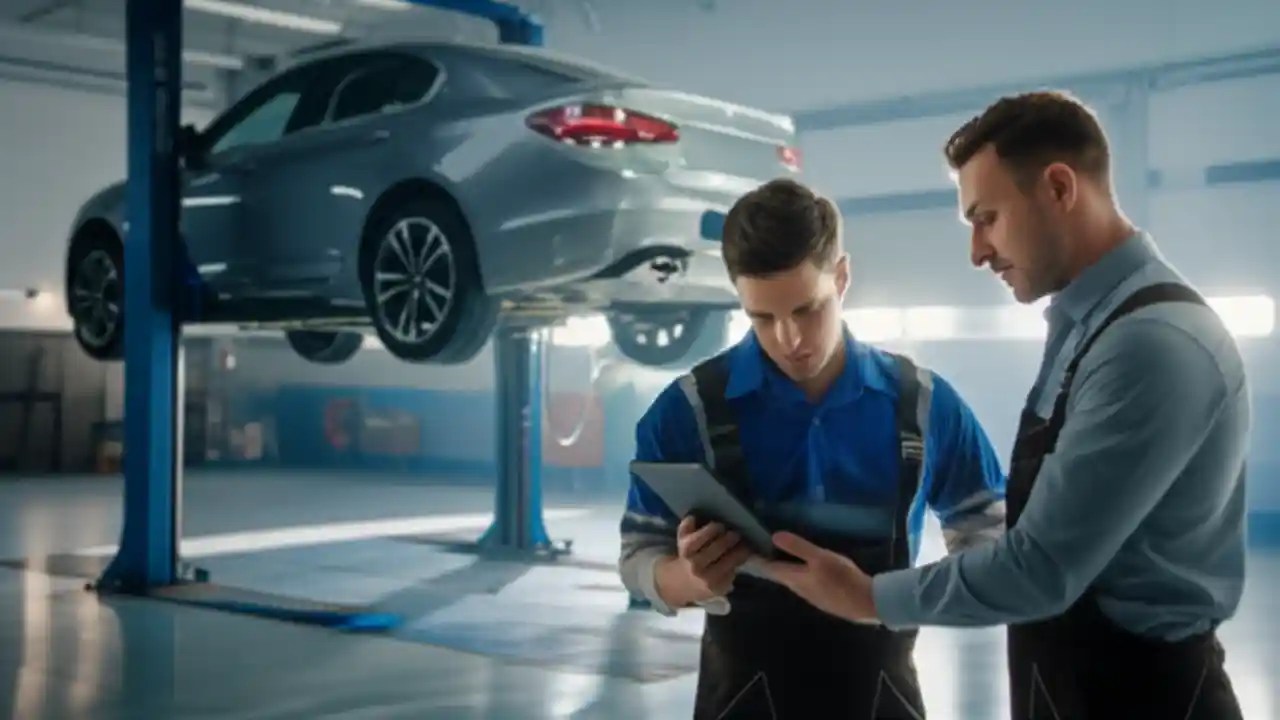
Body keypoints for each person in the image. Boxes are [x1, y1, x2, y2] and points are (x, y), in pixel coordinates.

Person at [763, 91, 1250, 720]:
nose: (977, 251)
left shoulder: (1149, 344)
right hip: (1076, 685)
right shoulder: (1089, 328)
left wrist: (868, 597)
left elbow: (1040, 570)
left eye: (986, 218)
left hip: (1147, 697)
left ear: (1059, 188)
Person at [617, 177, 1008, 719]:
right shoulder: (687, 413)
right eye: (763, 318)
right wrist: (690, 578)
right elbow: (638, 558)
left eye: (807, 309)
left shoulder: (924, 405)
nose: (790, 339)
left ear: (841, 277)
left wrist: (886, 598)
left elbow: (995, 549)